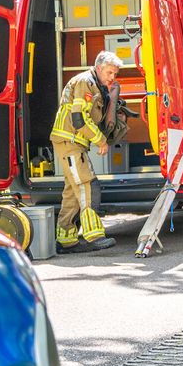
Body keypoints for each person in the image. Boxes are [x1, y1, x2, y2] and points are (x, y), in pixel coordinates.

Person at [50, 51, 127, 253]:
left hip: (71, 141)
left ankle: (66, 240)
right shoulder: (86, 82)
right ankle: (94, 235)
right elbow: (79, 119)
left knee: (72, 193)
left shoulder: (94, 83)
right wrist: (101, 140)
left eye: (115, 74)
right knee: (87, 185)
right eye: (110, 72)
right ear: (99, 68)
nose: (112, 77)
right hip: (70, 141)